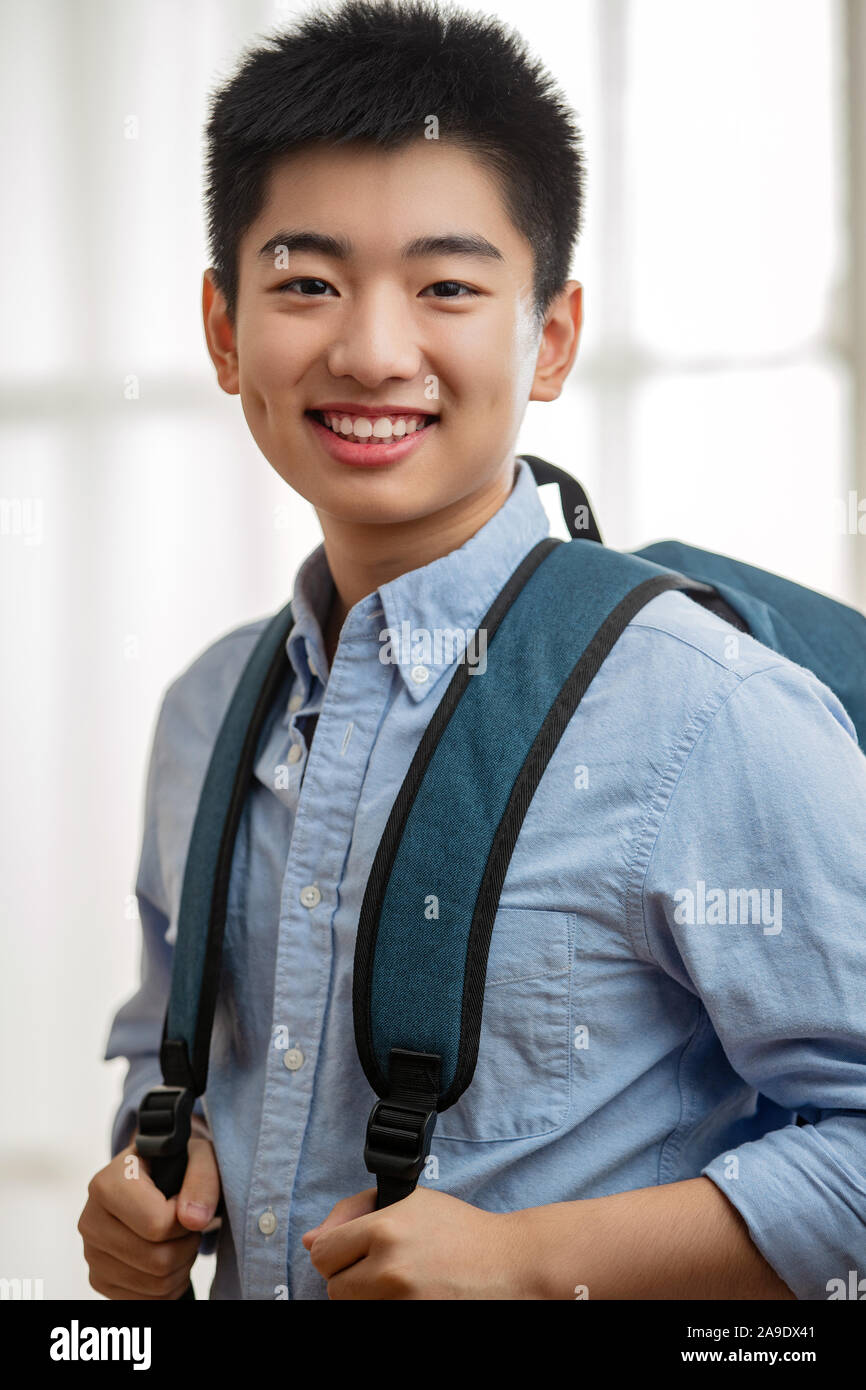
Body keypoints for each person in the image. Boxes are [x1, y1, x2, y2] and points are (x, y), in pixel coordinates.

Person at [78, 0, 866, 1300]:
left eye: (446, 286)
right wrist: (159, 1167)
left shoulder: (698, 709)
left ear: (547, 337)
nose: (372, 350)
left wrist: (529, 1261)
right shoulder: (208, 708)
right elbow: (174, 1045)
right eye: (305, 283)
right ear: (224, 330)